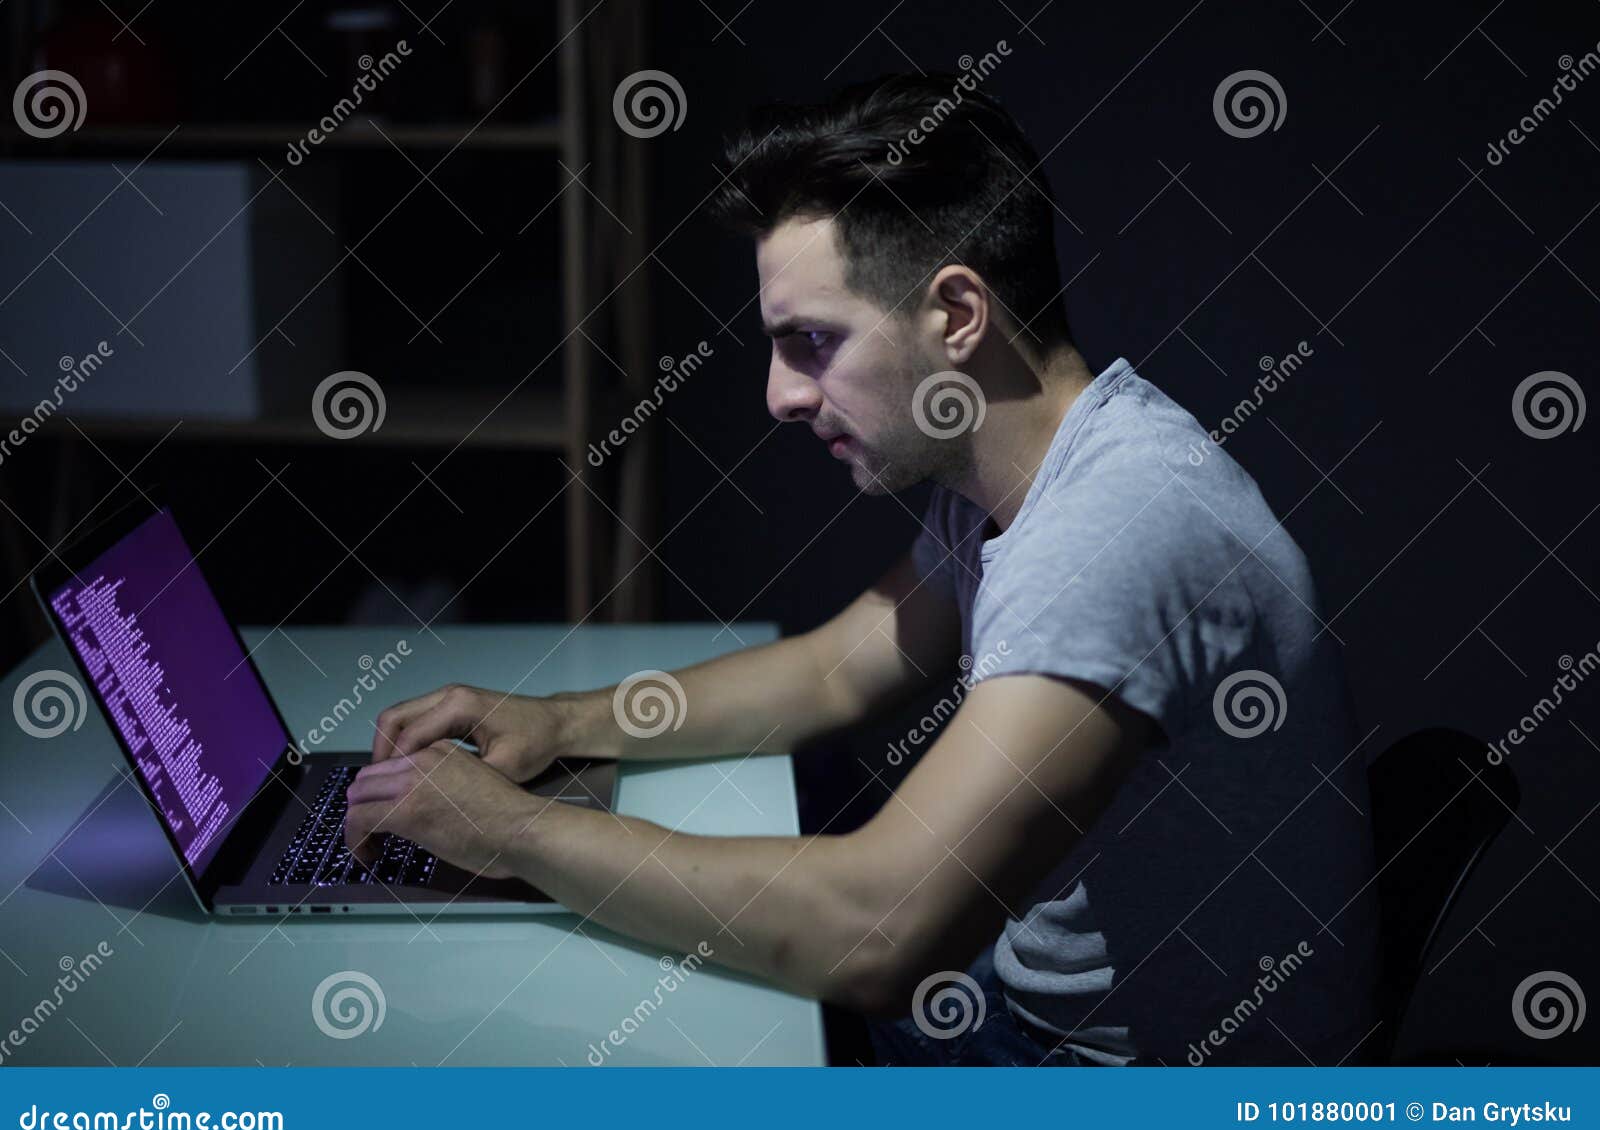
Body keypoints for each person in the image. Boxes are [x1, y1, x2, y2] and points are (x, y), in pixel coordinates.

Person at [345, 74, 1382, 1066]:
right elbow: (838, 668)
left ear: (957, 314)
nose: (777, 395)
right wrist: (560, 723)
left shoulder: (1114, 530)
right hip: (1016, 1012)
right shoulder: (1019, 468)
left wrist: (513, 830)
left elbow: (881, 933)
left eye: (810, 341)